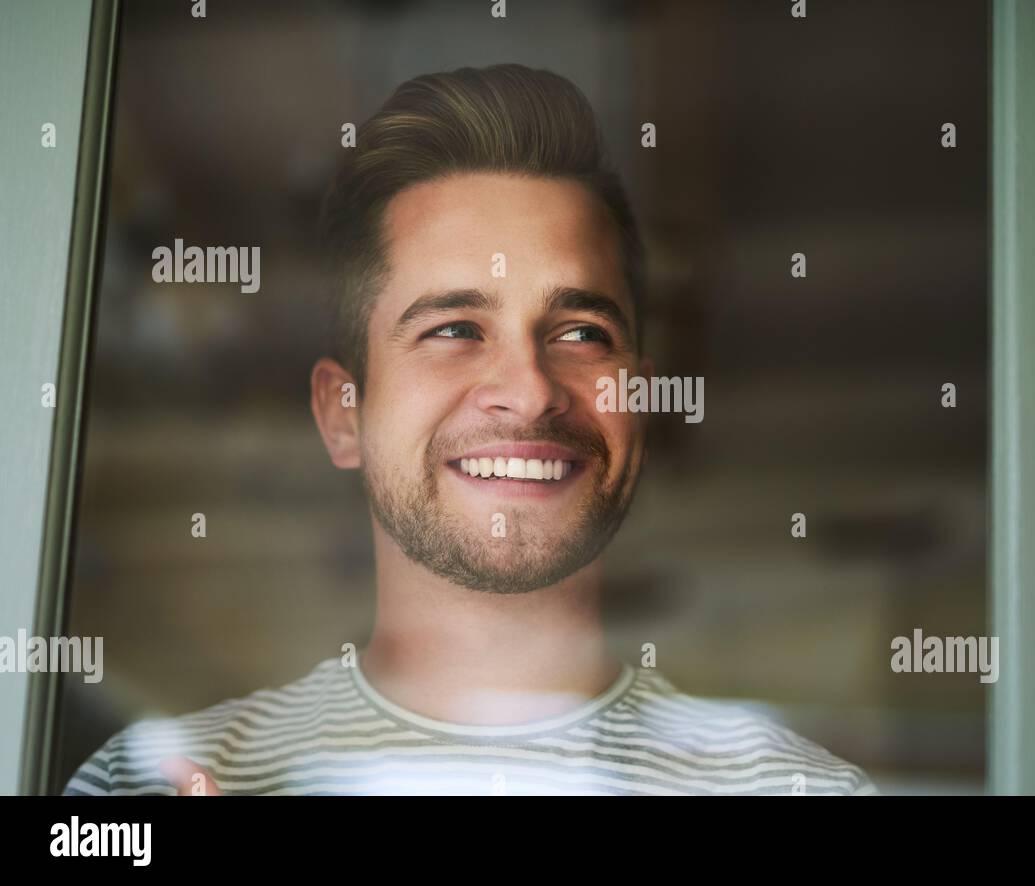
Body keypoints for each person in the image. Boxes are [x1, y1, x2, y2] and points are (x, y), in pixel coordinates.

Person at [64, 64, 876, 796]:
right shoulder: (143, 788)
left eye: (582, 332)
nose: (527, 393)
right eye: (454, 329)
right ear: (340, 413)